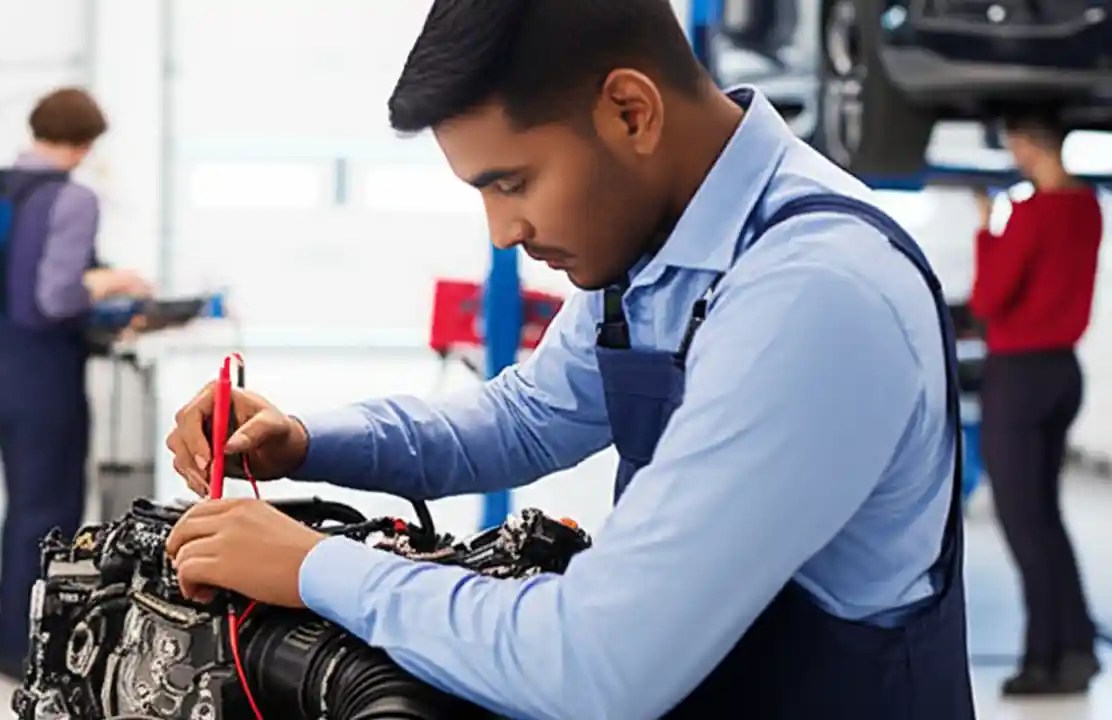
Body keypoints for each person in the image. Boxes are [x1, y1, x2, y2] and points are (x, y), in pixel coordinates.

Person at [163, 1, 975, 717]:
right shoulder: (657, 244)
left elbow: (597, 665)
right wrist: (305, 440)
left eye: (512, 182)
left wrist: (314, 567)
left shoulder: (816, 293)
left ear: (630, 111)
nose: (502, 231)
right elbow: (524, 417)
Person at [0, 87, 154, 680]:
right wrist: (111, 282)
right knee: (49, 515)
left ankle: (8, 641)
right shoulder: (74, 198)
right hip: (43, 377)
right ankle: (31, 655)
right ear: (87, 144)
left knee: (22, 508)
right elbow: (55, 296)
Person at [969, 113, 1104, 696]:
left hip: (1020, 377)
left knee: (1025, 524)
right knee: (1047, 519)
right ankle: (1075, 647)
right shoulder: (1088, 206)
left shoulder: (1029, 215)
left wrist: (985, 227)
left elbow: (989, 297)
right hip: (1063, 373)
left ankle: (1044, 660)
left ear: (1025, 145)